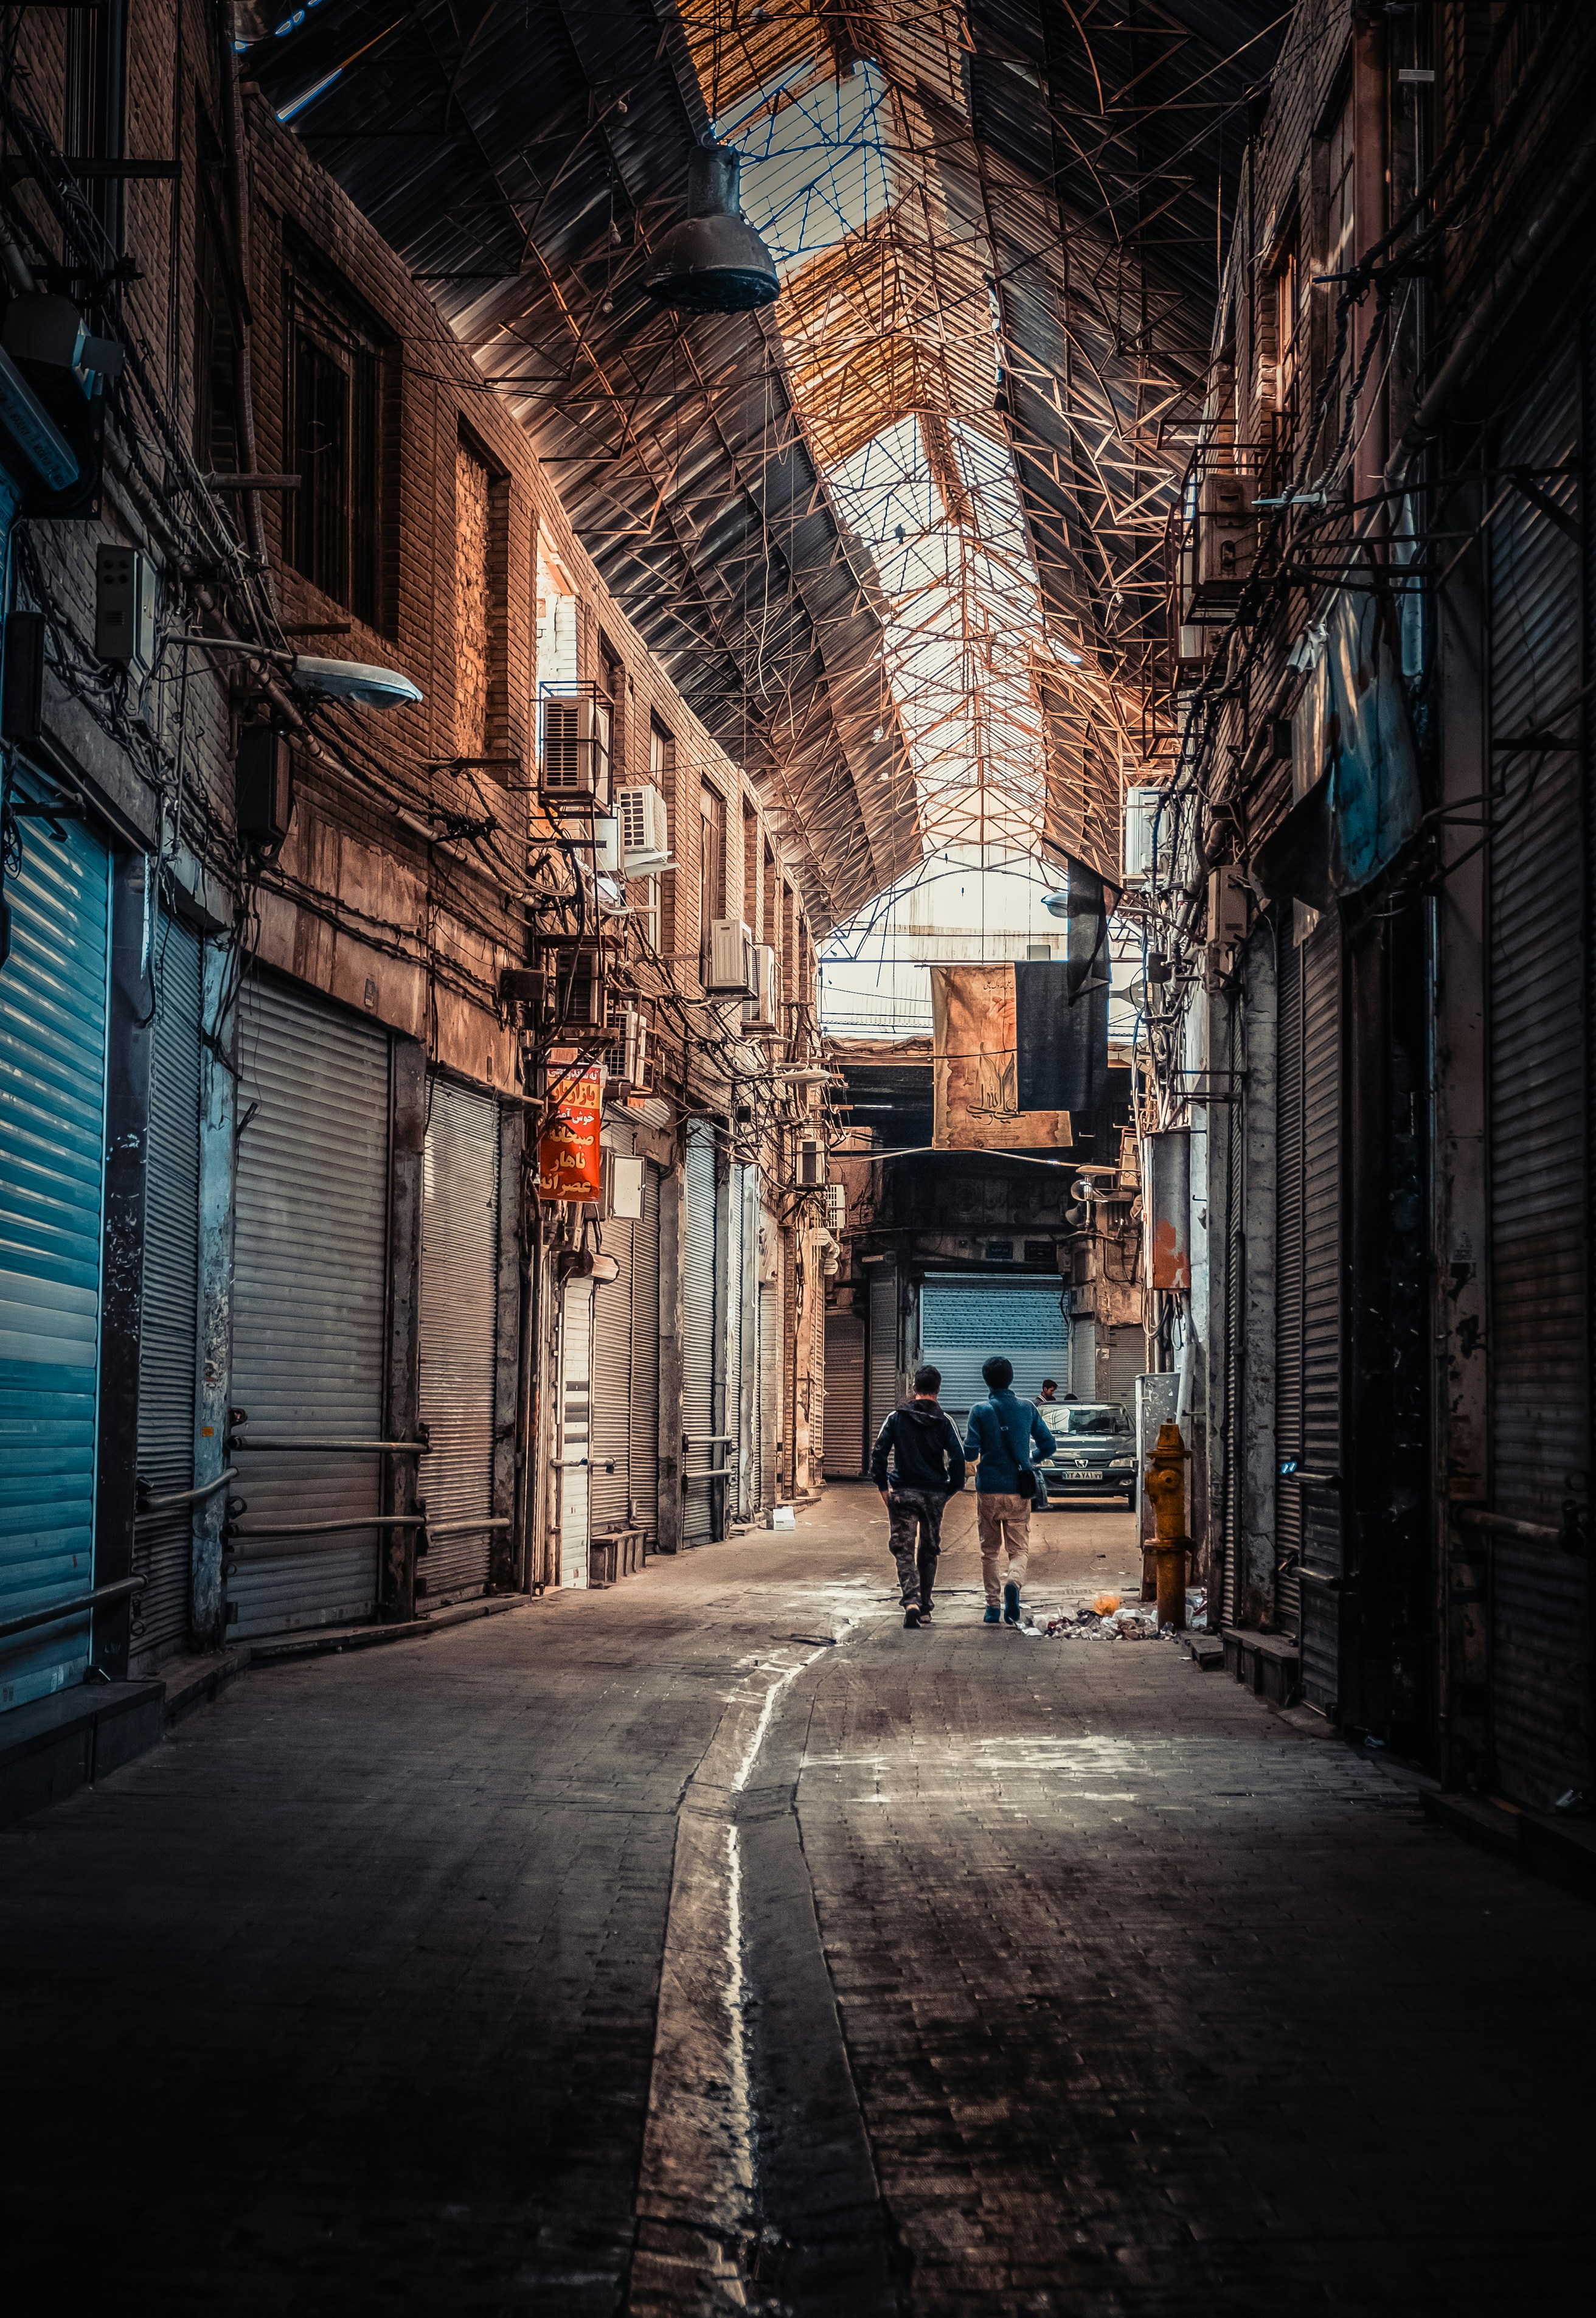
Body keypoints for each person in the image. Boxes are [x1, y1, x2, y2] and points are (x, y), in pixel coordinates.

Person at [870, 1364, 967, 1628]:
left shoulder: (896, 1417)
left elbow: (878, 1453)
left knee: (903, 1548)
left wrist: (883, 1487)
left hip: (903, 1492)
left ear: (914, 1387)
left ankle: (910, 1600)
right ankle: (925, 1607)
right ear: (938, 1389)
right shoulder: (945, 1421)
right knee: (929, 1550)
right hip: (934, 1493)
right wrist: (951, 1489)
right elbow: (959, 1459)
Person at [963, 1354, 1055, 1625]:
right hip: (1018, 1488)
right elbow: (1049, 1446)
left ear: (986, 1381)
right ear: (1011, 1378)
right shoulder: (1027, 1408)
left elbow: (970, 1450)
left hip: (989, 1488)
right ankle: (1013, 1583)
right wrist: (1031, 1459)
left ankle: (992, 1607)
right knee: (1019, 1550)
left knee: (989, 1552)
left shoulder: (979, 1411)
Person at [1033, 1378, 1060, 1509]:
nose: (1053, 1393)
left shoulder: (1051, 1403)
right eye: (1051, 1391)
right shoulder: (1037, 1405)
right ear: (1045, 1390)